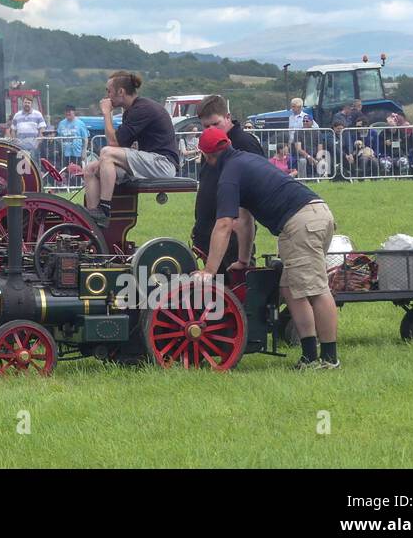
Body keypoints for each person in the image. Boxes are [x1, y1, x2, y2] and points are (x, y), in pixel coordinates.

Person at [196, 126, 340, 370]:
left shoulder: (229, 174)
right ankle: (309, 356)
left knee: (315, 289)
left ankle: (329, 359)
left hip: (301, 223)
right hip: (313, 215)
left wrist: (208, 271)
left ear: (207, 156)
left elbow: (224, 224)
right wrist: (243, 261)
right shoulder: (244, 161)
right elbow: (245, 221)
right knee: (290, 288)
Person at [83, 71, 180, 225]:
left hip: (163, 164)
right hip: (151, 162)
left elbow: (112, 144)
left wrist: (106, 113)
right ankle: (93, 221)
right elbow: (121, 146)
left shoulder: (142, 109)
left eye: (109, 91)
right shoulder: (131, 111)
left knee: (106, 153)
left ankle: (104, 209)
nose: (107, 96)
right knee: (91, 169)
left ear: (121, 91)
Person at [192, 95, 263, 273]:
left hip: (232, 232)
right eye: (206, 126)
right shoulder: (209, 143)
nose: (211, 130)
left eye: (215, 124)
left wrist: (237, 226)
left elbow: (253, 189)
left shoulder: (245, 142)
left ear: (228, 117)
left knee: (237, 282)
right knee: (216, 286)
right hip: (210, 228)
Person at [56, 106, 90, 185]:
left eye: (69, 111)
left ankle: (76, 186)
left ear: (74, 112)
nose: (68, 113)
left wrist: (84, 151)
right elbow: (58, 138)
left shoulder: (80, 123)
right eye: (66, 111)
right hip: (65, 153)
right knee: (66, 171)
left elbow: (85, 138)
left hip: (76, 152)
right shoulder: (61, 123)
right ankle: (67, 186)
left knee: (76, 171)